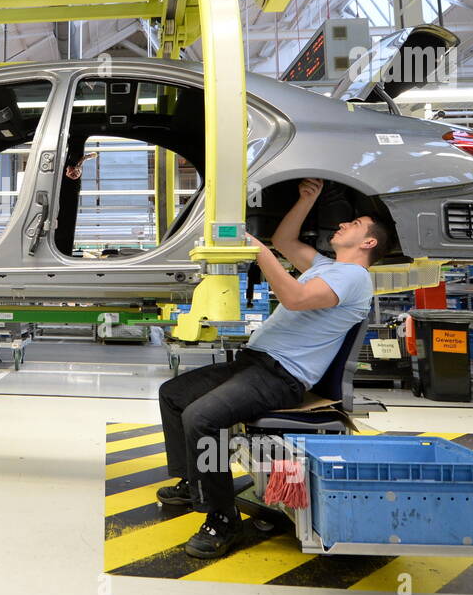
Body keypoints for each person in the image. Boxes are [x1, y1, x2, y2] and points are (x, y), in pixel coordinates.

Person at [156, 178, 387, 559]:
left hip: (282, 376)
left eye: (354, 224)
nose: (343, 225)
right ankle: (196, 482)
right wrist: (306, 200)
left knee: (202, 417)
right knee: (174, 394)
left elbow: (294, 299)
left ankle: (222, 518)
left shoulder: (356, 278)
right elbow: (284, 242)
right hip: (254, 362)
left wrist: (254, 247)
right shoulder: (325, 266)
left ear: (368, 242)